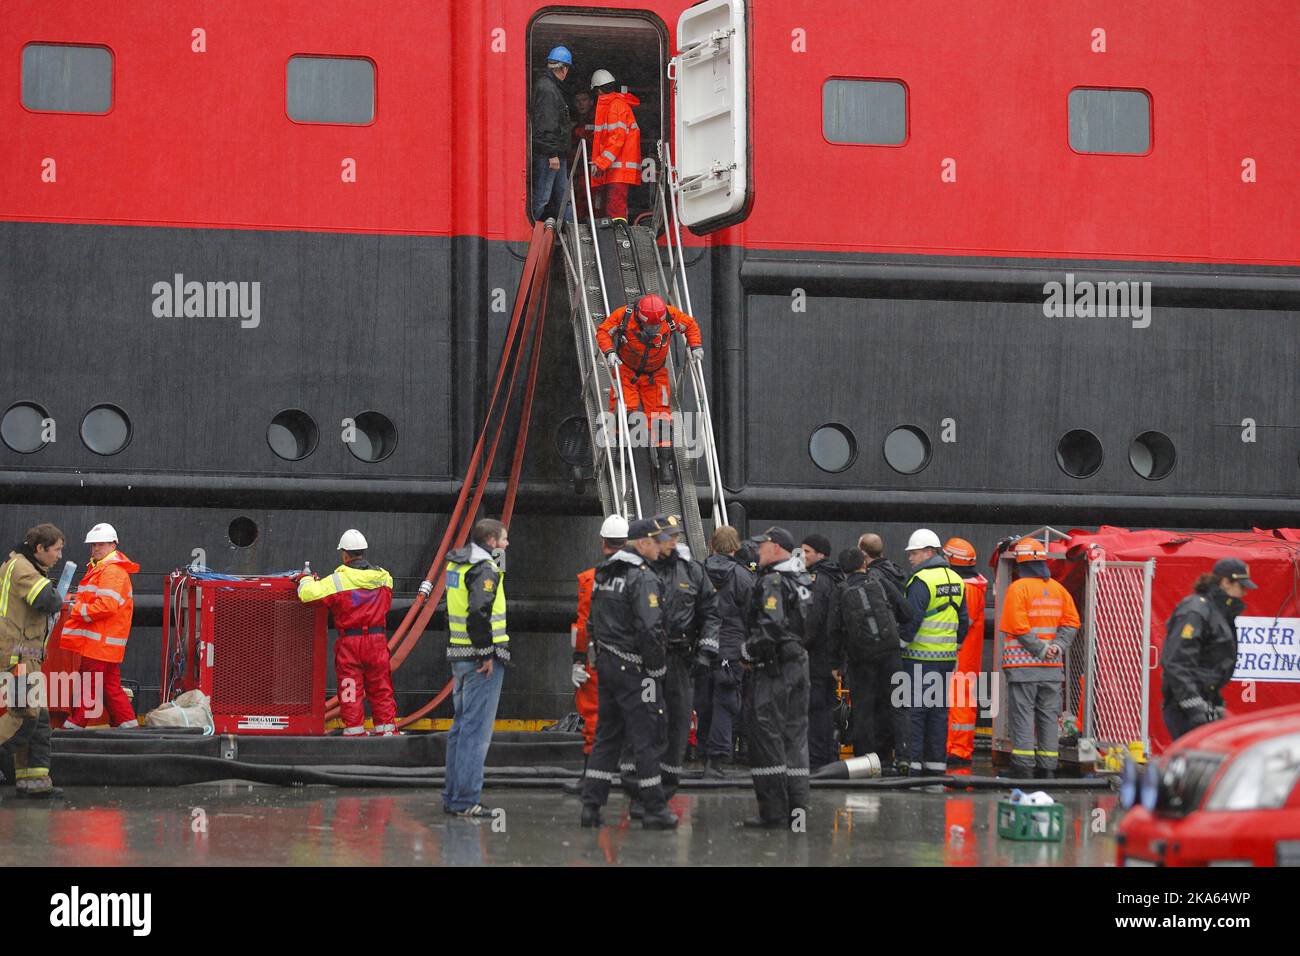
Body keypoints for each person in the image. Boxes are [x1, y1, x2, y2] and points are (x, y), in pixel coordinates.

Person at [579, 518, 678, 830]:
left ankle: (591, 806)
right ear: (642, 543)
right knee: (646, 737)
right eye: (657, 541)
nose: (662, 547)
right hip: (636, 669)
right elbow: (650, 628)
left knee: (606, 737)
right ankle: (655, 809)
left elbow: (590, 622)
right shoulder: (642, 577)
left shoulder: (604, 574)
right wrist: (657, 668)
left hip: (608, 665)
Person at [742, 526, 813, 829]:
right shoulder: (802, 580)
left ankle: (772, 813)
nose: (759, 550)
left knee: (767, 737)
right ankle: (798, 811)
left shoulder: (772, 581)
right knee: (795, 739)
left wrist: (748, 651)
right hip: (799, 664)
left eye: (763, 544)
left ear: (777, 547)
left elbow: (770, 626)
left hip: (775, 669)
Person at [442, 518, 511, 817]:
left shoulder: (455, 565)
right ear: (492, 541)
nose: (507, 545)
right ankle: (468, 800)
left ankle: (454, 796)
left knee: (459, 728)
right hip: (480, 660)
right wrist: (486, 653)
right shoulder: (485, 569)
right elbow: (478, 612)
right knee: (476, 731)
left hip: (458, 655)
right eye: (504, 540)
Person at [297, 529, 396, 737]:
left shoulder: (337, 581)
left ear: (344, 555)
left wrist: (305, 579)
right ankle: (387, 731)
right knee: (381, 686)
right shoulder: (384, 578)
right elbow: (385, 603)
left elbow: (307, 595)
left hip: (351, 642)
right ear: (363, 552)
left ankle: (354, 731)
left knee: (350, 688)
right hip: (377, 641)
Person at [596, 293, 704, 485]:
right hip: (627, 371)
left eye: (656, 326)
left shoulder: (670, 316)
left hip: (655, 374)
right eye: (650, 326)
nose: (654, 330)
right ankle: (621, 450)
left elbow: (690, 325)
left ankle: (665, 463)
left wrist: (695, 345)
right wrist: (610, 352)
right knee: (624, 410)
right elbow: (603, 331)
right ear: (639, 317)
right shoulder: (624, 316)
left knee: (661, 419)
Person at [998, 537, 1081, 778]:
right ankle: (1048, 769)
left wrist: (1041, 650)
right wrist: (1057, 646)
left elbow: (1018, 626)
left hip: (1023, 667)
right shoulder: (1058, 589)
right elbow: (1071, 622)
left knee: (1023, 716)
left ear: (1021, 563)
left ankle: (1022, 768)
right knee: (1047, 717)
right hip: (1052, 670)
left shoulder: (1018, 589)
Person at [649, 514, 719, 793]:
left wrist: (706, 651)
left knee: (678, 720)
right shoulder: (641, 568)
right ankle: (643, 782)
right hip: (646, 659)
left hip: (680, 658)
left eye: (676, 536)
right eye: (668, 537)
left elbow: (711, 614)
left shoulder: (693, 572)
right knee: (647, 719)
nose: (673, 541)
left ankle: (668, 783)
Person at [828, 546, 910, 775]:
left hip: (860, 658)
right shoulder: (880, 582)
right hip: (890, 652)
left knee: (863, 709)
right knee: (898, 705)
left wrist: (835, 664)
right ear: (864, 564)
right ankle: (903, 756)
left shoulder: (841, 590)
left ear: (842, 570)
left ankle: (866, 763)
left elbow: (833, 630)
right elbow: (907, 612)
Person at [0, 523, 66, 796]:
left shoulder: (19, 565)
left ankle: (34, 781)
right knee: (24, 718)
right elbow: (48, 599)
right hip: (18, 659)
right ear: (40, 548)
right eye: (56, 550)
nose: (59, 556)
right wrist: (58, 596)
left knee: (38, 721)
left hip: (25, 657)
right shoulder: (22, 569)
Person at [899, 529, 969, 776]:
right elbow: (963, 620)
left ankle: (914, 768)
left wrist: (900, 643)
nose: (910, 558)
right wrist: (955, 644)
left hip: (919, 658)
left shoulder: (921, 581)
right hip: (946, 659)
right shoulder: (956, 579)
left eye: (915, 553)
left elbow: (912, 618)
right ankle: (936, 767)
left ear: (929, 552)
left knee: (915, 712)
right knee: (939, 713)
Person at [1160, 558, 1254, 741]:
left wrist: (1213, 703)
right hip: (1186, 706)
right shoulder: (1196, 609)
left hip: (1205, 700)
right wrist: (1193, 705)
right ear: (1226, 582)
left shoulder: (1219, 612)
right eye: (1241, 587)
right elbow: (1176, 661)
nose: (1244, 593)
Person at [62, 523, 139, 730]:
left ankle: (73, 728)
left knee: (88, 686)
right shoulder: (103, 569)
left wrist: (75, 609)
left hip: (99, 644)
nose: (96, 548)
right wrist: (72, 599)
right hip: (104, 645)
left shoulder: (110, 571)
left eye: (101, 545)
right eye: (93, 545)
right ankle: (130, 729)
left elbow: (106, 606)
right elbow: (95, 598)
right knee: (110, 688)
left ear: (113, 545)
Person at [571, 515, 630, 761]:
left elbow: (582, 625)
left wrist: (577, 660)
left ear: (603, 542)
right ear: (627, 543)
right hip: (633, 659)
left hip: (599, 658)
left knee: (595, 715)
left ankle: (592, 773)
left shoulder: (589, 579)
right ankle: (629, 770)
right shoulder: (643, 576)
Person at [700, 526, 755, 776]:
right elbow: (751, 616)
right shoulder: (743, 576)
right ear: (735, 547)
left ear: (712, 546)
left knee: (703, 703)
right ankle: (718, 757)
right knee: (726, 703)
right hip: (731, 649)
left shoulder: (698, 571)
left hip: (703, 647)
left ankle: (700, 752)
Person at [800, 533, 843, 770]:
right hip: (830, 655)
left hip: (816, 656)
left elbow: (813, 618)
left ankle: (816, 758)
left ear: (820, 554)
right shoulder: (835, 576)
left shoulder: (817, 579)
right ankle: (828, 754)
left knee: (815, 708)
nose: (803, 555)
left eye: (807, 551)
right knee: (826, 707)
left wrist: (799, 644)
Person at [943, 537, 988, 765]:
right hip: (966, 656)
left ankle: (958, 750)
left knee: (960, 702)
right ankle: (955, 746)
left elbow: (962, 623)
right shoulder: (973, 584)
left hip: (962, 656)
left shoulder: (967, 588)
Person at [586, 69, 640, 221]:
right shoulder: (615, 104)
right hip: (616, 167)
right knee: (612, 207)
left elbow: (617, 138)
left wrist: (601, 163)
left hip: (618, 168)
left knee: (615, 210)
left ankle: (617, 239)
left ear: (598, 90)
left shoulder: (615, 106)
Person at [532, 46, 574, 223]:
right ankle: (532, 230)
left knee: (564, 195)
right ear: (563, 68)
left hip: (557, 154)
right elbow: (546, 124)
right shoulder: (549, 90)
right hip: (551, 155)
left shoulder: (549, 87)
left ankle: (571, 229)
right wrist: (552, 154)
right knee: (543, 196)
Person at [571, 89, 598, 218]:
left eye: (584, 100)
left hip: (592, 165)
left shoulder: (597, 118)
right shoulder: (574, 119)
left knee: (590, 198)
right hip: (578, 166)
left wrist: (577, 131)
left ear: (591, 102)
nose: (581, 104)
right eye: (577, 101)